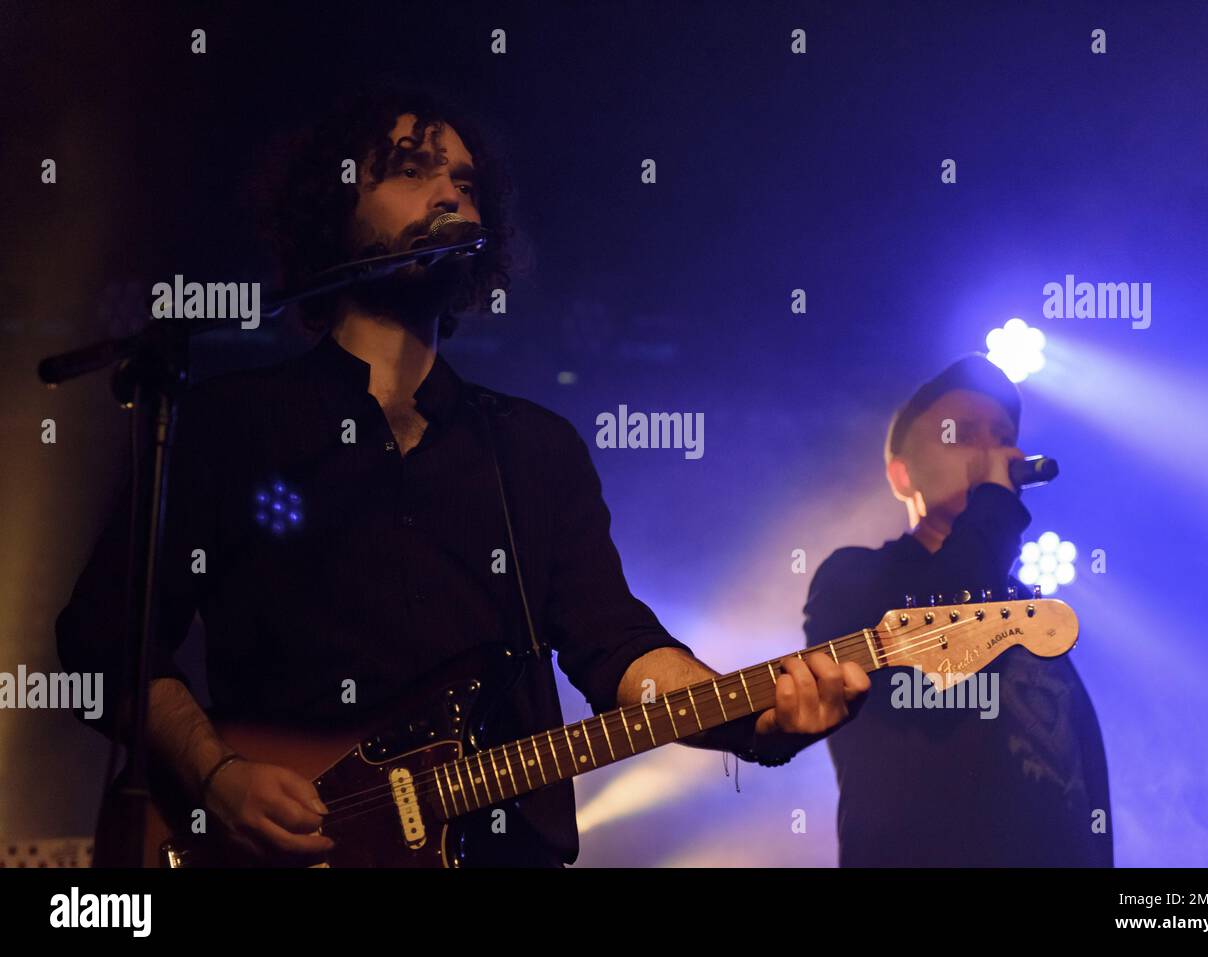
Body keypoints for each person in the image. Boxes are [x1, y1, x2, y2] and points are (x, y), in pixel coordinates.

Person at [56, 84, 868, 867]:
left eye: (467, 182)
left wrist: (752, 719)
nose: (451, 192)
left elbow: (615, 646)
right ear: (335, 211)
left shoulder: (532, 448)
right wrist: (216, 778)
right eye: (413, 169)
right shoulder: (233, 424)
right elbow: (103, 639)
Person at [803, 354, 1112, 866]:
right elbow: (940, 654)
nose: (991, 451)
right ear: (902, 476)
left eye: (1001, 434)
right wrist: (994, 505)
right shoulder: (856, 578)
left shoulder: (1026, 609)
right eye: (961, 435)